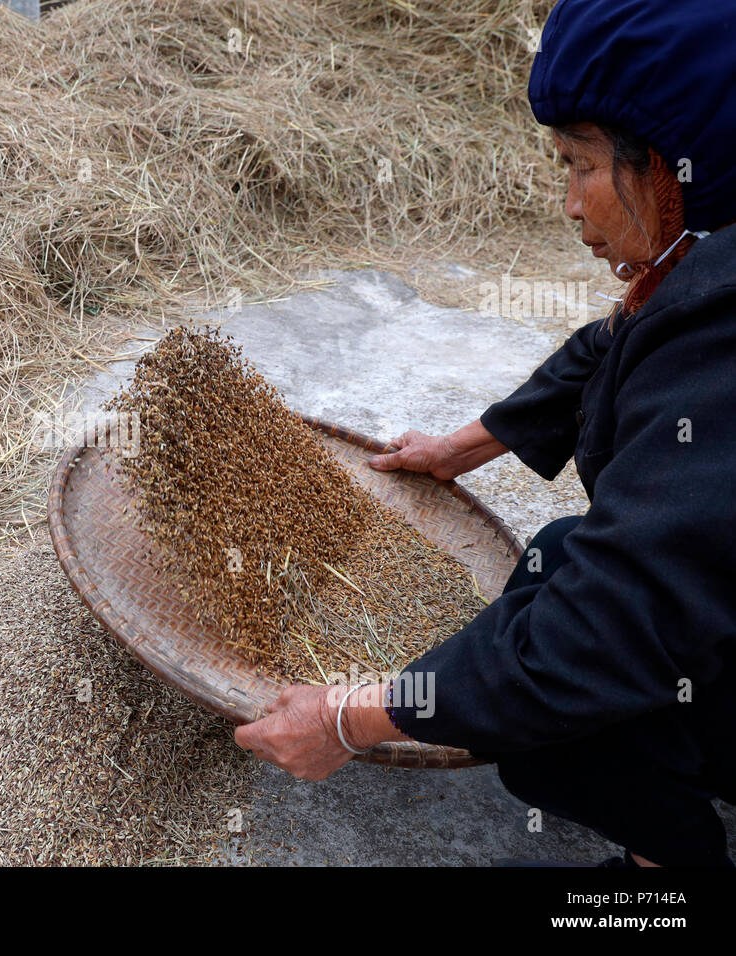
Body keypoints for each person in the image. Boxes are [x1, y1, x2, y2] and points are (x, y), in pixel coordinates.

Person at [234, 0, 736, 867]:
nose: (570, 206)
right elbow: (611, 348)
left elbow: (602, 633)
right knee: (560, 552)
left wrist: (349, 719)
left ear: (663, 170)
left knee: (555, 727)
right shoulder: (706, 256)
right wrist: (464, 447)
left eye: (580, 166)